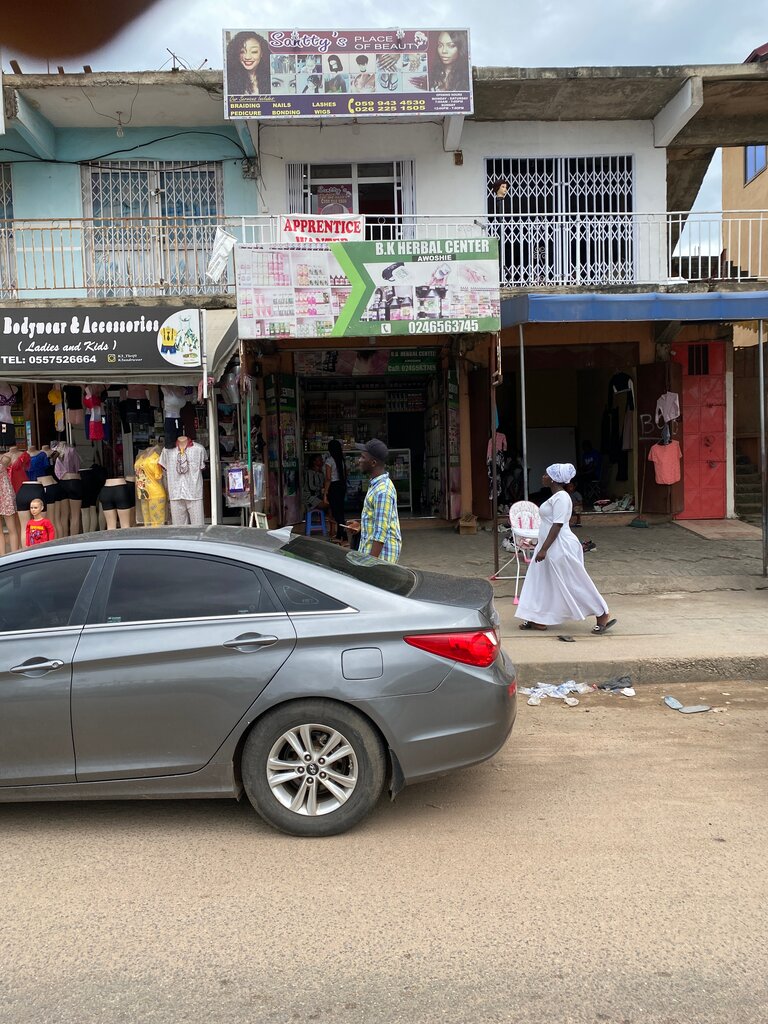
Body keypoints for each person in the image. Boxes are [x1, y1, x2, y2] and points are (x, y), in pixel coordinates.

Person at [515, 463, 615, 634]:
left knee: (573, 581)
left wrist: (544, 549)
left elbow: (558, 525)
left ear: (553, 479)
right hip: (548, 545)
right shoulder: (556, 497)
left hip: (559, 546)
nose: (543, 477)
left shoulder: (562, 498)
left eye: (546, 474)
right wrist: (539, 545)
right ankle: (537, 618)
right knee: (539, 581)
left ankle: (602, 613)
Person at [346, 439, 402, 563]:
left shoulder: (382, 491)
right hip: (373, 554)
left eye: (362, 457)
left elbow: (380, 533)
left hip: (380, 559)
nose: (359, 460)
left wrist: (370, 565)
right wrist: (361, 527)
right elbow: (378, 522)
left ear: (373, 462)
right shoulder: (376, 485)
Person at [324, 439, 347, 544]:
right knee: (340, 511)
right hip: (341, 486)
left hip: (333, 487)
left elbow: (328, 478)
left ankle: (344, 537)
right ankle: (339, 536)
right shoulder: (342, 460)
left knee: (336, 513)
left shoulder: (329, 461)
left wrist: (325, 493)